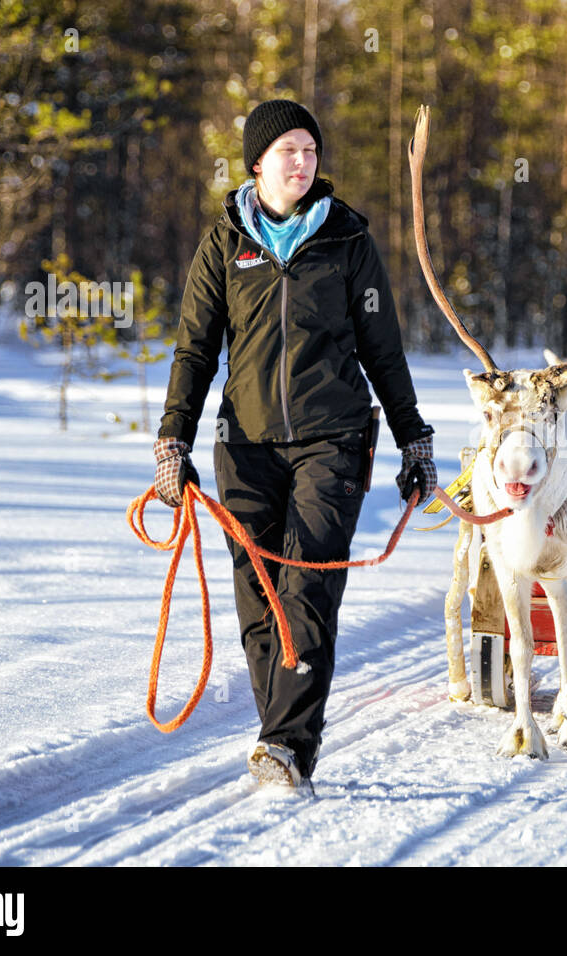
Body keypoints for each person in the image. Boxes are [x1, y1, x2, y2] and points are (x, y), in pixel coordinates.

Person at [152, 100, 437, 790]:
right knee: (259, 595)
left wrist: (413, 438)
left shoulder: (347, 240)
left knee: (307, 583)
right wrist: (172, 440)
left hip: (332, 442)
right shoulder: (226, 242)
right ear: (257, 162)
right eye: (288, 151)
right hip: (242, 444)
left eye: (310, 149)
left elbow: (383, 350)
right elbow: (194, 348)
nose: (303, 162)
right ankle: (279, 732)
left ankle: (286, 743)